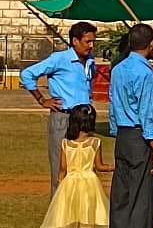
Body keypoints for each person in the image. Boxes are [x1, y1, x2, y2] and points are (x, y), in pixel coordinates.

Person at [107, 23, 153, 228]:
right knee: (142, 202)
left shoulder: (118, 69)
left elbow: (112, 102)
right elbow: (147, 113)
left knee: (121, 200)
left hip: (122, 135)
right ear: (150, 44)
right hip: (140, 137)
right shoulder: (145, 73)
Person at [21, 22, 97, 195]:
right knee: (60, 170)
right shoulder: (59, 59)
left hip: (84, 120)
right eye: (87, 41)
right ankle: (58, 217)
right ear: (75, 41)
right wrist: (42, 100)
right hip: (64, 118)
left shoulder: (90, 62)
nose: (91, 46)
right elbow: (27, 74)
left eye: (93, 41)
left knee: (85, 171)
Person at [39, 103, 111, 228]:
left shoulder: (66, 144)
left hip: (70, 183)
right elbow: (99, 166)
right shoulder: (95, 143)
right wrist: (113, 167)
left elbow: (62, 170)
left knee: (66, 223)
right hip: (88, 183)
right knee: (88, 224)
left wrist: (61, 183)